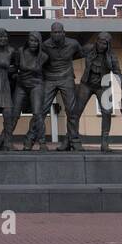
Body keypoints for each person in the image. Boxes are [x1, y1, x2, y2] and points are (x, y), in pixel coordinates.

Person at [71, 31, 122, 153]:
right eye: (100, 43)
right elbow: (69, 57)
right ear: (96, 41)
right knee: (76, 112)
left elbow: (119, 76)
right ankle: (72, 140)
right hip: (86, 84)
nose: (102, 46)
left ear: (108, 45)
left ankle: (104, 143)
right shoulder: (88, 49)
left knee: (107, 112)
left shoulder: (112, 56)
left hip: (103, 87)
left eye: (105, 44)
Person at [39, 21, 83, 151]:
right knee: (41, 110)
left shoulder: (73, 44)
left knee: (72, 111)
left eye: (59, 32)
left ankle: (73, 140)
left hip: (67, 78)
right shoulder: (45, 45)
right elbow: (40, 61)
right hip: (50, 79)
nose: (57, 34)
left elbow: (80, 54)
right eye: (54, 32)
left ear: (64, 32)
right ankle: (36, 140)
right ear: (51, 33)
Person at [10, 32, 49, 150]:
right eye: (31, 40)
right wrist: (14, 75)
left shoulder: (43, 56)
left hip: (36, 84)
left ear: (39, 43)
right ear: (28, 41)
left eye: (36, 41)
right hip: (21, 85)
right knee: (14, 114)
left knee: (37, 114)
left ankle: (42, 142)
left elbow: (46, 72)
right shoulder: (20, 52)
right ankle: (5, 140)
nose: (33, 43)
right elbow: (15, 68)